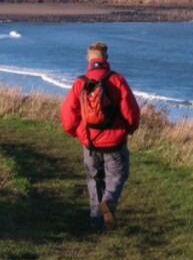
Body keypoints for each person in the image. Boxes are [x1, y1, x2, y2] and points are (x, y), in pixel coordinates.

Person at [59, 41, 141, 230]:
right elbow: (131, 112)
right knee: (118, 175)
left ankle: (96, 221)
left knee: (94, 179)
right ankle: (109, 202)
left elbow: (68, 113)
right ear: (106, 58)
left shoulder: (80, 82)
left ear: (88, 58)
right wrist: (128, 129)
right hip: (115, 141)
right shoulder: (117, 79)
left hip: (89, 141)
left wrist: (75, 132)